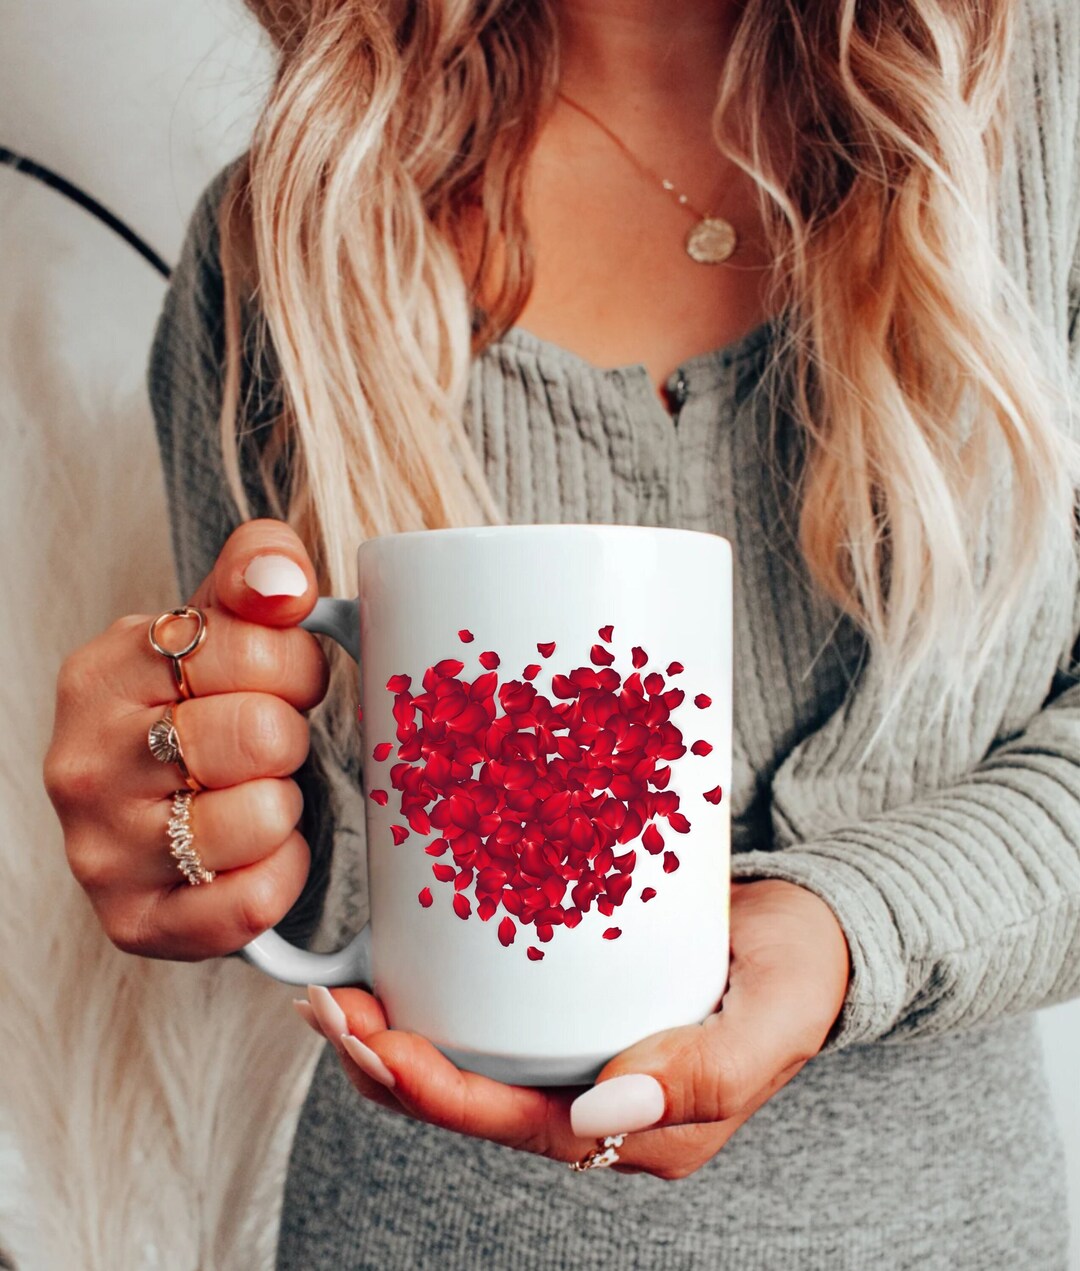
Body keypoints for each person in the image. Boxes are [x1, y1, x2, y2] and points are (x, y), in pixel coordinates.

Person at [44, 0, 1080, 1265]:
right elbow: (330, 875)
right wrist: (192, 798)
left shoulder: (1040, 128)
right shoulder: (283, 236)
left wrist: (846, 921)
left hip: (952, 1233)